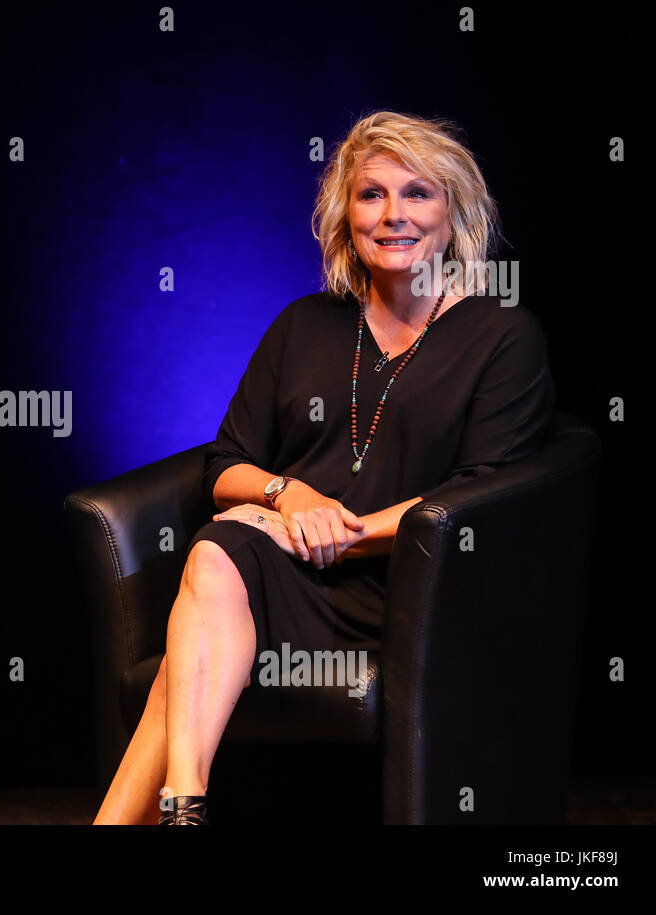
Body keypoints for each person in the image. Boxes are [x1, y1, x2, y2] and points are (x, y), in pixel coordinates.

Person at [93, 111, 555, 825]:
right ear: (346, 215)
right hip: (284, 582)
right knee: (218, 552)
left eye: (418, 193)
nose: (393, 214)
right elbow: (226, 467)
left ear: (454, 211)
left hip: (410, 593)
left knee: (192, 643)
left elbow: (477, 498)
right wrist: (290, 495)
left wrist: (326, 531)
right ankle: (186, 804)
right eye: (371, 195)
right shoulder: (304, 324)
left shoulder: (500, 335)